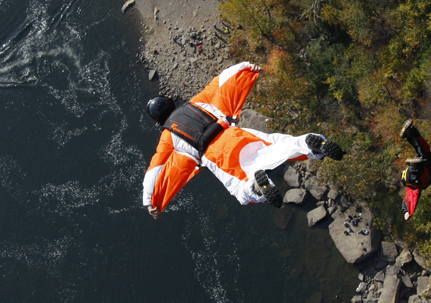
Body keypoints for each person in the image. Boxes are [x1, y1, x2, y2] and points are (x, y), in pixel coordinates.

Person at [143, 62, 344, 218]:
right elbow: (222, 80)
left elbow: (156, 168)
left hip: (216, 156)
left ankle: (255, 187)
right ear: (171, 102)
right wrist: (247, 67)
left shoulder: (168, 138)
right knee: (276, 145)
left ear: (158, 120)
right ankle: (310, 143)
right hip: (236, 134)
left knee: (240, 190)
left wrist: (150, 201)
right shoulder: (197, 102)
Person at [399, 119, 431, 221]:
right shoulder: (423, 157)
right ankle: (414, 168)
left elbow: (413, 198)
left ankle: (411, 133)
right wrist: (407, 212)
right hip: (408, 177)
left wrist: (407, 212)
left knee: (423, 154)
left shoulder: (426, 157)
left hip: (419, 180)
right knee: (422, 153)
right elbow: (411, 197)